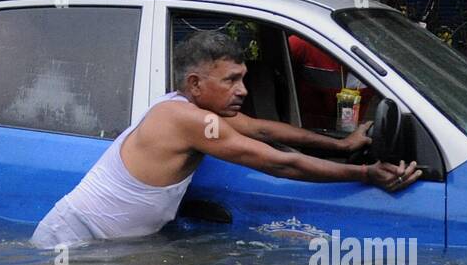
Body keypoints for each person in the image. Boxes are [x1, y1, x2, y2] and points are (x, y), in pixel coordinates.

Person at [32, 31, 421, 248]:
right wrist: (366, 173)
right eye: (231, 80)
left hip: (105, 244)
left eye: (243, 79)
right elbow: (277, 161)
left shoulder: (193, 111)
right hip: (74, 240)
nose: (243, 91)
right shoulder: (185, 119)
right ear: (196, 84)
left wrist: (342, 145)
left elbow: (263, 129)